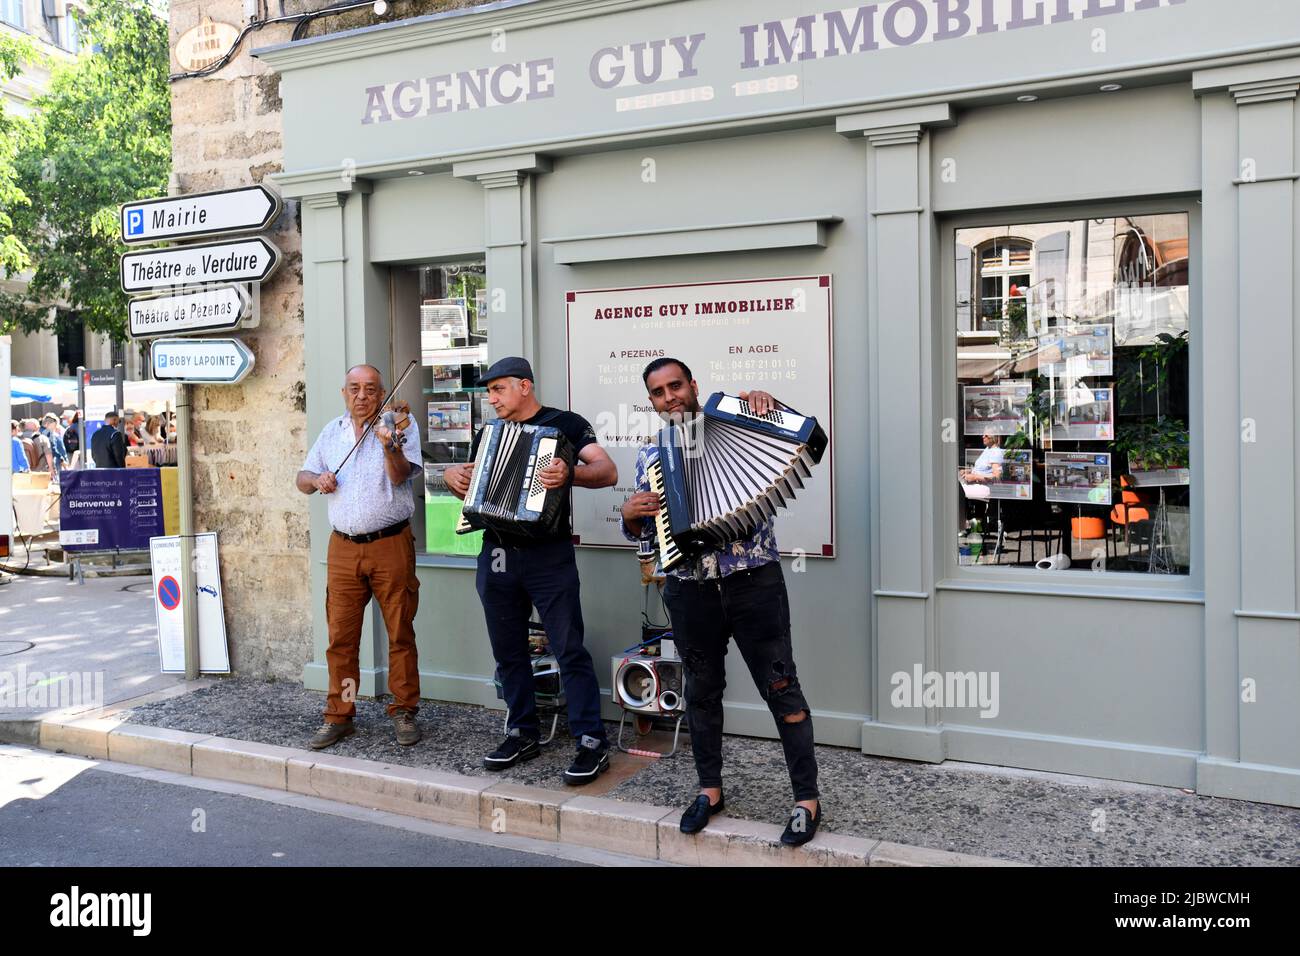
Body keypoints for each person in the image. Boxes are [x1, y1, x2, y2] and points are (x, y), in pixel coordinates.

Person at [620, 357, 822, 846]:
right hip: (689, 590)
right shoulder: (650, 456)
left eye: (676, 386)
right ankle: (710, 791)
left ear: (693, 385)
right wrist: (629, 515)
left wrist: (769, 408)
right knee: (702, 694)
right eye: (658, 392)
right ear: (651, 401)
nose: (670, 397)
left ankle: (807, 800)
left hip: (754, 583)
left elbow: (802, 436)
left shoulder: (742, 420)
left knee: (782, 688)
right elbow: (646, 536)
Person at [444, 356, 619, 785]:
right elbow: (475, 484)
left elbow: (608, 471)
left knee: (568, 647)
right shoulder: (488, 433)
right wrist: (451, 475)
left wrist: (571, 474)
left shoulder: (567, 424)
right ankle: (522, 730)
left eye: (498, 389)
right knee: (508, 650)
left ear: (524, 386)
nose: (492, 398)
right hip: (498, 552)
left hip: (547, 553)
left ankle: (591, 740)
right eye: (488, 392)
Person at [296, 364, 424, 749]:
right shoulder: (331, 432)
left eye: (371, 389)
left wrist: (389, 444)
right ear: (344, 392)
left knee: (399, 631)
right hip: (343, 547)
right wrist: (317, 480)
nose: (362, 396)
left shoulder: (400, 426)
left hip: (390, 543)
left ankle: (404, 711)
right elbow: (303, 477)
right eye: (355, 388)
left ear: (382, 392)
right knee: (342, 637)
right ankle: (341, 714)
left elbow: (401, 475)